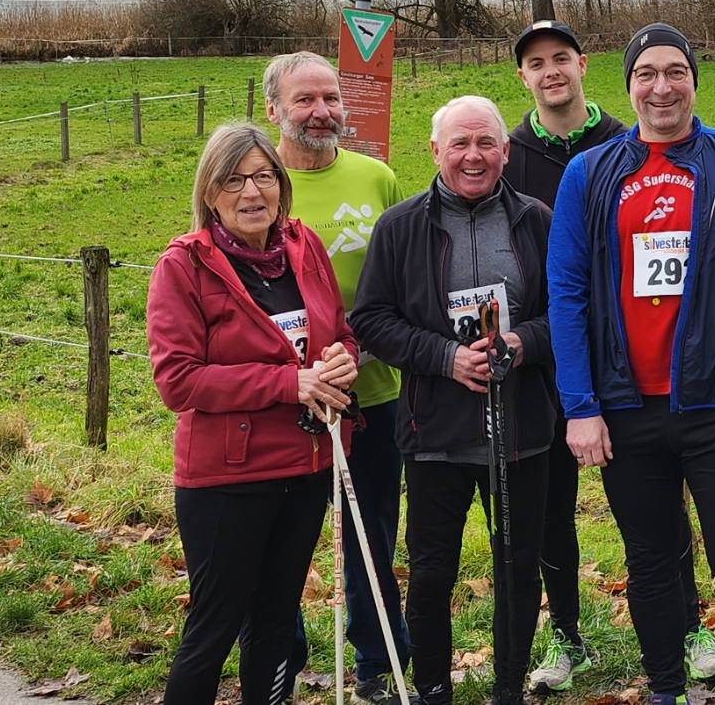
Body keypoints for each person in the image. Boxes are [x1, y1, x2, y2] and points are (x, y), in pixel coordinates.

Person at [549, 22, 715, 705]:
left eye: (675, 71)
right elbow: (565, 293)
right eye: (646, 73)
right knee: (652, 562)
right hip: (626, 408)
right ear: (627, 86)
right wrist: (581, 405)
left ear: (693, 80)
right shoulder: (589, 173)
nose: (661, 85)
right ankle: (665, 689)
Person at [503, 20, 715, 692]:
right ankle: (566, 635)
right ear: (524, 76)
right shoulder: (506, 154)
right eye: (537, 63)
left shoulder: (622, 141)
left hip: (629, 361)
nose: (551, 72)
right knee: (550, 506)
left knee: (667, 503)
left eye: (561, 59)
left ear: (585, 66)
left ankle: (691, 626)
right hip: (537, 352)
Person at [353, 97, 556, 705]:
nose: (474, 156)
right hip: (433, 429)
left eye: (486, 143)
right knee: (434, 571)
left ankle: (507, 692)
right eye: (460, 144)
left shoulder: (536, 220)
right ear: (436, 152)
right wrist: (445, 358)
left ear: (506, 151)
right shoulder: (401, 226)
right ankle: (434, 690)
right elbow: (371, 318)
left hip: (522, 431)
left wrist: (521, 344)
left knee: (518, 570)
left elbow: (572, 313)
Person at [148, 122, 359, 705]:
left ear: (281, 184)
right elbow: (178, 380)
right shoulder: (184, 266)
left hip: (306, 464)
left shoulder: (304, 245)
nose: (251, 193)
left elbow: (337, 331)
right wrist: (289, 383)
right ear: (209, 192)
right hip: (227, 479)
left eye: (263, 176)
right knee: (214, 629)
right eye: (234, 179)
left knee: (275, 623)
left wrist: (342, 360)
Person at [261, 51, 408, 704]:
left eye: (331, 98)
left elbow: (407, 277)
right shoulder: (253, 184)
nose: (321, 111)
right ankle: (278, 661)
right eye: (304, 100)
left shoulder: (377, 177)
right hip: (282, 407)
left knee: (372, 537)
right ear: (274, 111)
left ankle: (379, 663)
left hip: (374, 399)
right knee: (275, 547)